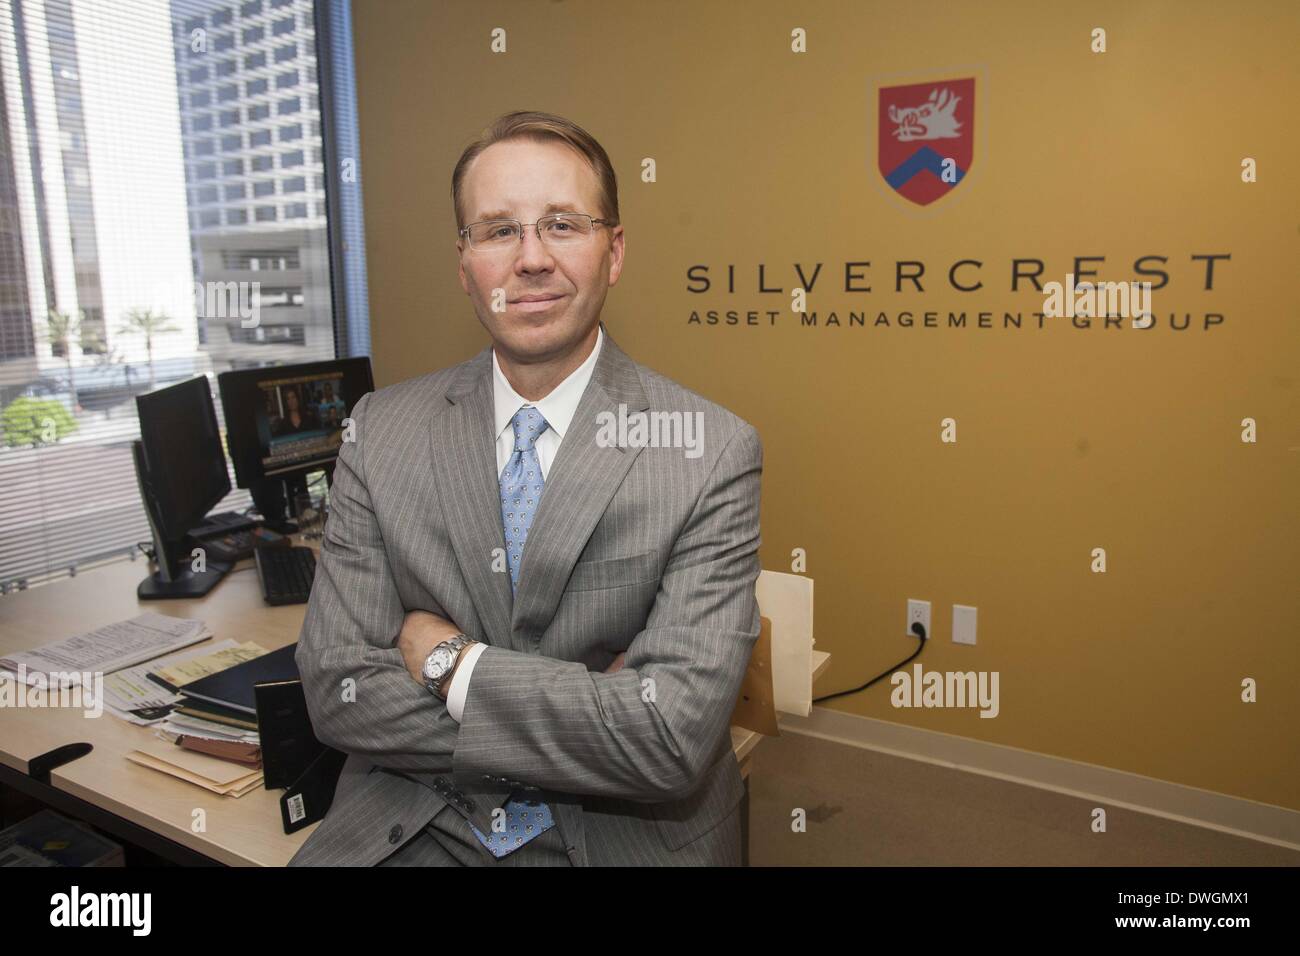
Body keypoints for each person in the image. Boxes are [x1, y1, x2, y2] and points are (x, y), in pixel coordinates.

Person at [289, 111, 763, 867]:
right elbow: (339, 690)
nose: (532, 259)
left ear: (614, 252)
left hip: (616, 837)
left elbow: (670, 741)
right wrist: (591, 714)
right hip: (415, 822)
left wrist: (446, 660)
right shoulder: (379, 431)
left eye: (563, 225)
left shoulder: (710, 450)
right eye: (498, 230)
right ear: (464, 262)